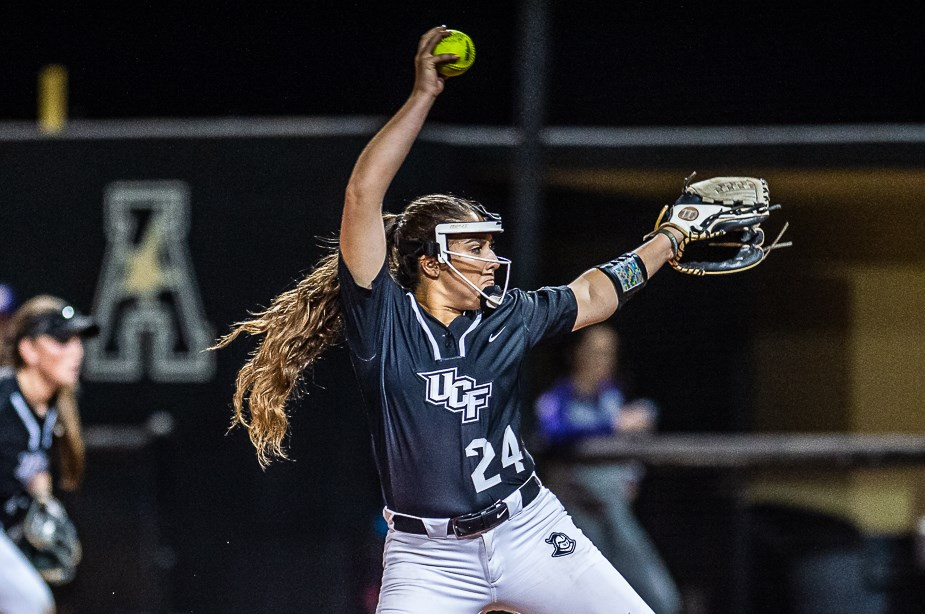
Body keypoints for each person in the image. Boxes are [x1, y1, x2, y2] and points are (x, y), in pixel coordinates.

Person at [216, 27, 685, 613]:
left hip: (530, 530)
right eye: (476, 247)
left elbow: (594, 292)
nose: (492, 260)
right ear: (433, 262)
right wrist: (423, 96)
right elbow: (363, 194)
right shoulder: (385, 323)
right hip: (427, 559)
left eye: (490, 246)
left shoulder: (510, 316)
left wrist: (671, 238)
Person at [534, 324, 682, 613]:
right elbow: (553, 430)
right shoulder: (558, 398)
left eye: (609, 353)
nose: (603, 360)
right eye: (596, 352)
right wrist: (612, 425)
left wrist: (631, 473)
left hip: (614, 511)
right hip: (573, 514)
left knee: (659, 598)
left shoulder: (612, 397)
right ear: (576, 353)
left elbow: (639, 430)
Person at [0, 296, 98, 614]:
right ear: (29, 350)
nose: (76, 351)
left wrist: (43, 500)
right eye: (62, 340)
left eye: (78, 339)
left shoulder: (52, 407)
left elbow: (31, 464)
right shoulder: (4, 402)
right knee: (32, 603)